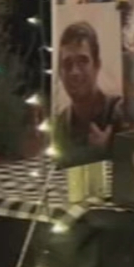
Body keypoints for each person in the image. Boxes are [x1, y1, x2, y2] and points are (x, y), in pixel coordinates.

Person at [54, 22, 127, 162]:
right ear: (60, 73)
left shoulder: (119, 113)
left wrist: (107, 150)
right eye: (67, 64)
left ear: (97, 65)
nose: (74, 72)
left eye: (82, 62)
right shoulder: (60, 125)